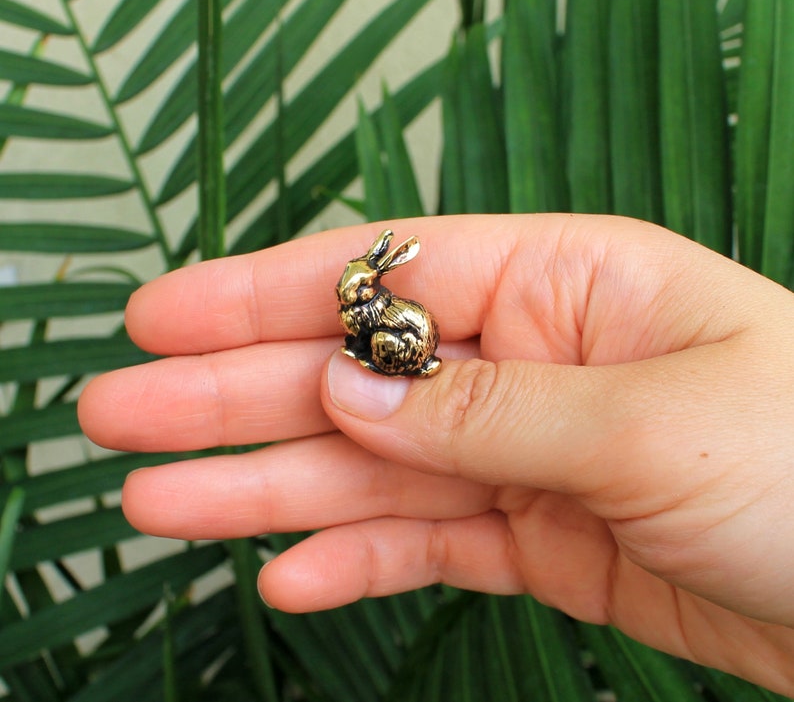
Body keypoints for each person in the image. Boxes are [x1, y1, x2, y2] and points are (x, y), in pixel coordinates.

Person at [78, 214, 794, 696]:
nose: (352, 290)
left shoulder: (374, 307)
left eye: (360, 284)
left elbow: (377, 324)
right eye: (358, 283)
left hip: (403, 357)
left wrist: (445, 397)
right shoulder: (364, 298)